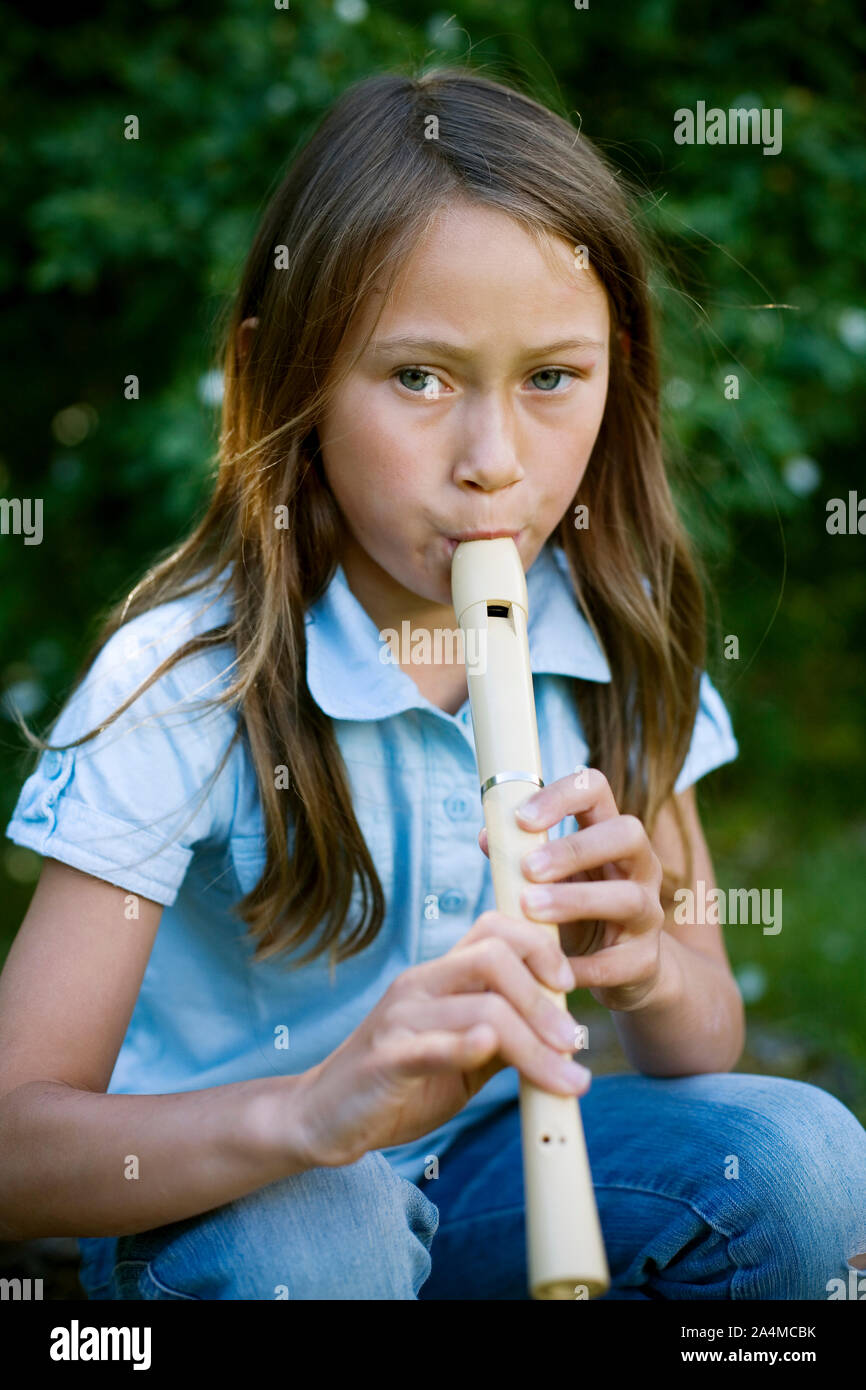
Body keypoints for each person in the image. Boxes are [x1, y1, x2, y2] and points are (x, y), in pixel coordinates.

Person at [1, 66, 864, 1302]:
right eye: (418, 377)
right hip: (237, 1200)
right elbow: (13, 1145)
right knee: (331, 1234)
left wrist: (647, 966)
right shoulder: (185, 677)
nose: (493, 464)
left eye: (550, 378)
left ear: (616, 371)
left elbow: (702, 1038)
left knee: (808, 1165)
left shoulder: (615, 642)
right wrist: (315, 1111)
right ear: (288, 376)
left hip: (483, 1177)